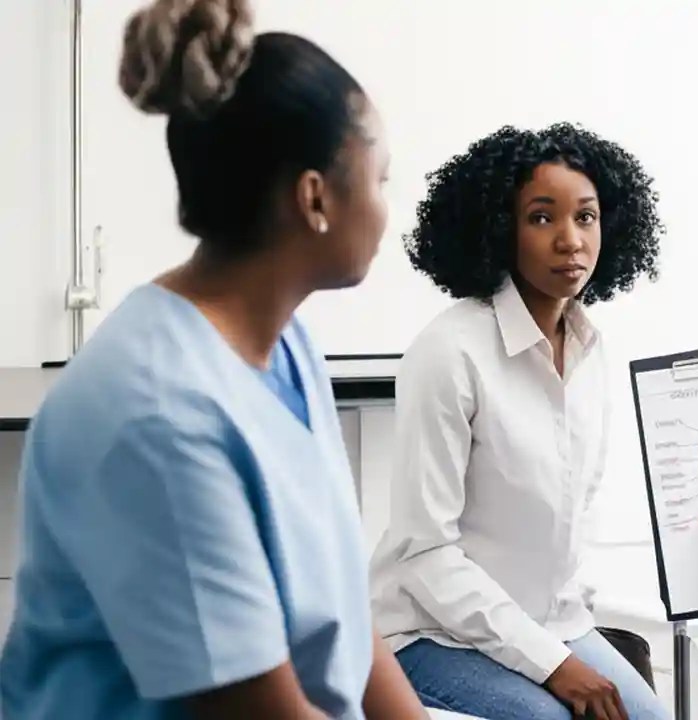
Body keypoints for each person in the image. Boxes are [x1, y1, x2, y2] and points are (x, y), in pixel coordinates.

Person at [0, 0, 424, 717]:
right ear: (314, 198)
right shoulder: (157, 414)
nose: (388, 207)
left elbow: (348, 624)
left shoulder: (285, 345)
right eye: (381, 178)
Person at [368, 124, 668, 720]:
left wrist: (563, 642)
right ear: (501, 230)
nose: (569, 240)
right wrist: (556, 666)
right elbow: (426, 552)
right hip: (428, 632)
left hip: (547, 622)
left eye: (586, 217)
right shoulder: (449, 353)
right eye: (541, 218)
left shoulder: (589, 348)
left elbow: (567, 525)